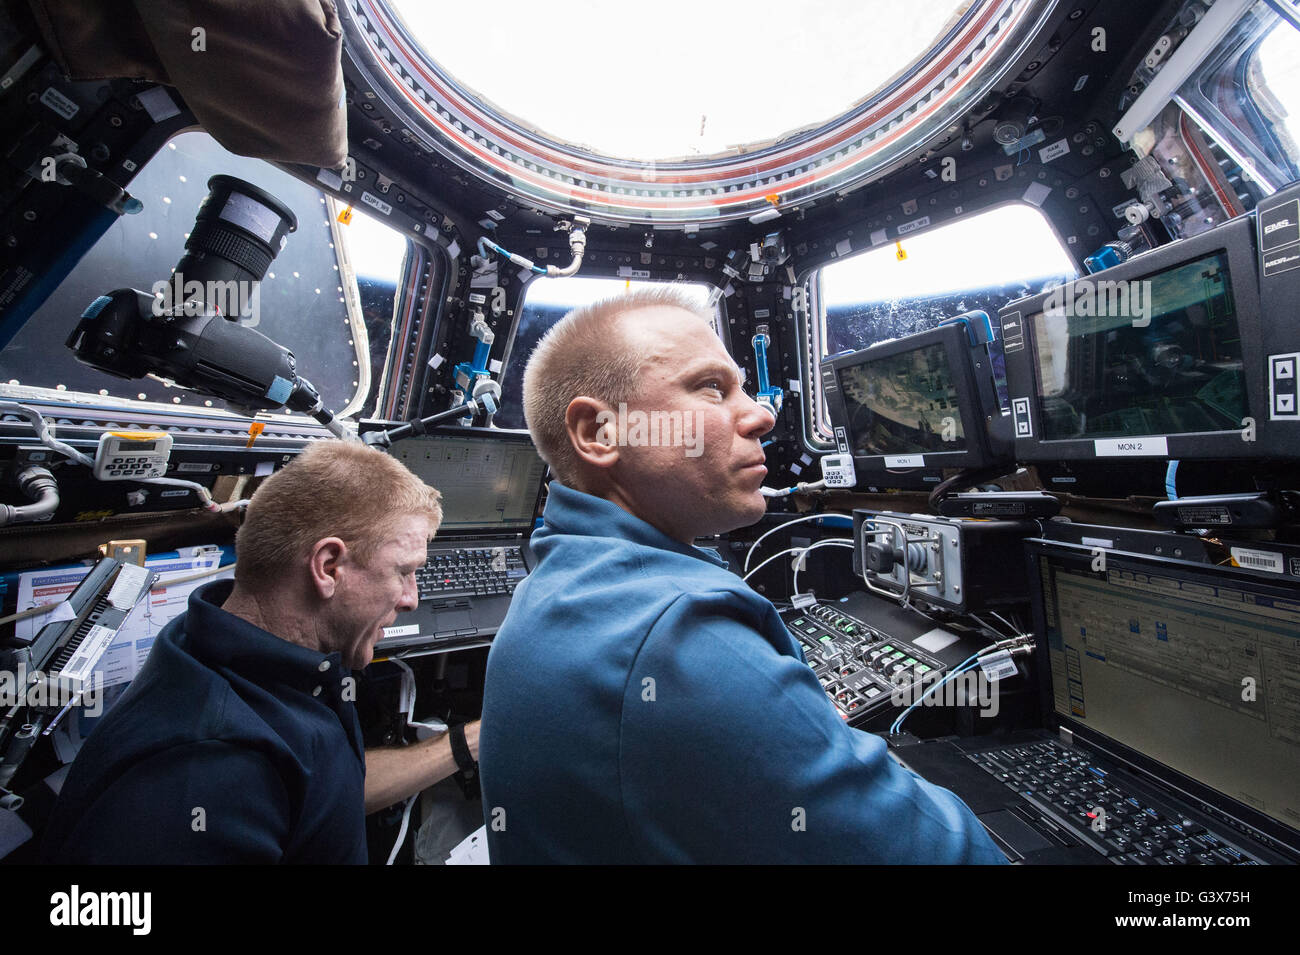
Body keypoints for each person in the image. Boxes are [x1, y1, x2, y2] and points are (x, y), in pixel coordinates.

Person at [479, 286, 1004, 863]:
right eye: (711, 387)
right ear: (600, 432)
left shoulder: (561, 580)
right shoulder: (676, 639)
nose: (761, 414)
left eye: (744, 387)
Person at [43, 440, 480, 863]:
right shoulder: (207, 769)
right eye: (404, 572)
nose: (411, 599)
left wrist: (465, 743)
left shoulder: (240, 647)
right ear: (328, 567)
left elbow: (324, 792)